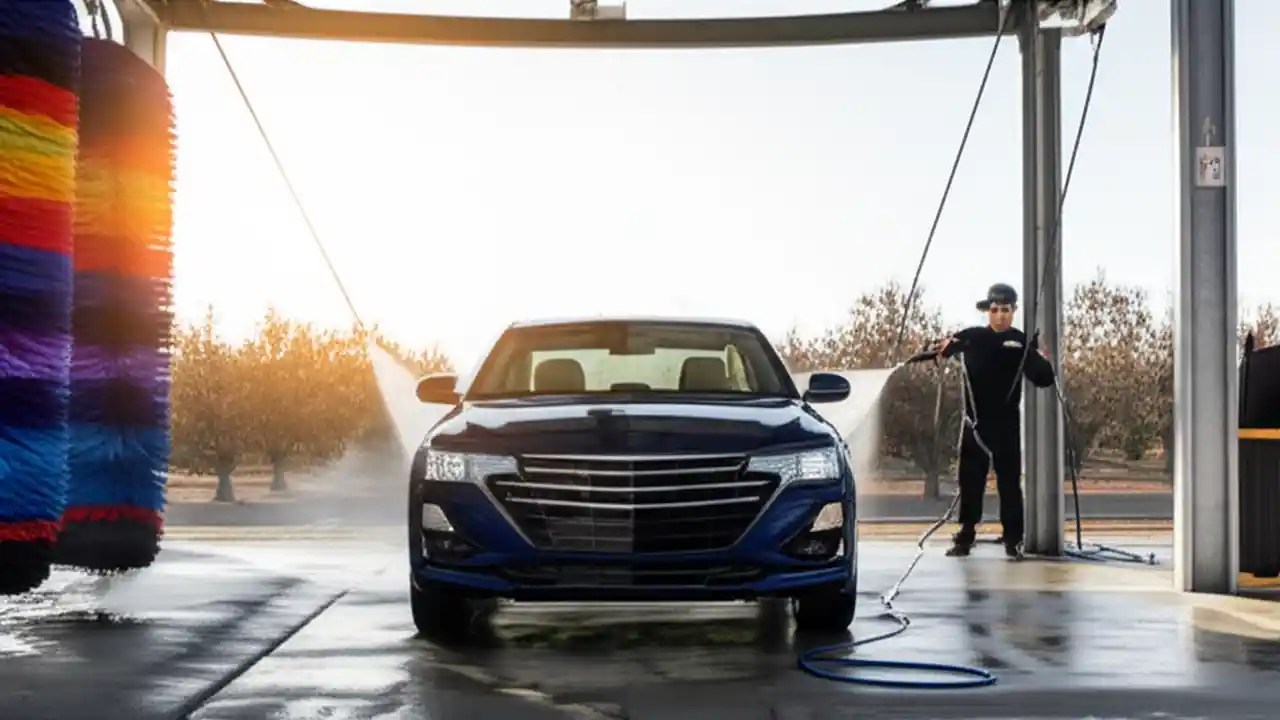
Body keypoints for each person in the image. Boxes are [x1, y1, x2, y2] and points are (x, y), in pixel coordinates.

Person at [934, 282, 1056, 560]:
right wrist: (945, 346)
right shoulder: (972, 337)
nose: (1000, 315)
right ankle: (965, 537)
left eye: (1006, 310)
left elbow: (1044, 379)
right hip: (974, 425)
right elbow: (945, 348)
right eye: (995, 310)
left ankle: (1013, 540)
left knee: (1010, 484)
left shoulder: (1020, 342)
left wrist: (1041, 356)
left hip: (1006, 425)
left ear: (1014, 311)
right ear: (987, 311)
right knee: (970, 482)